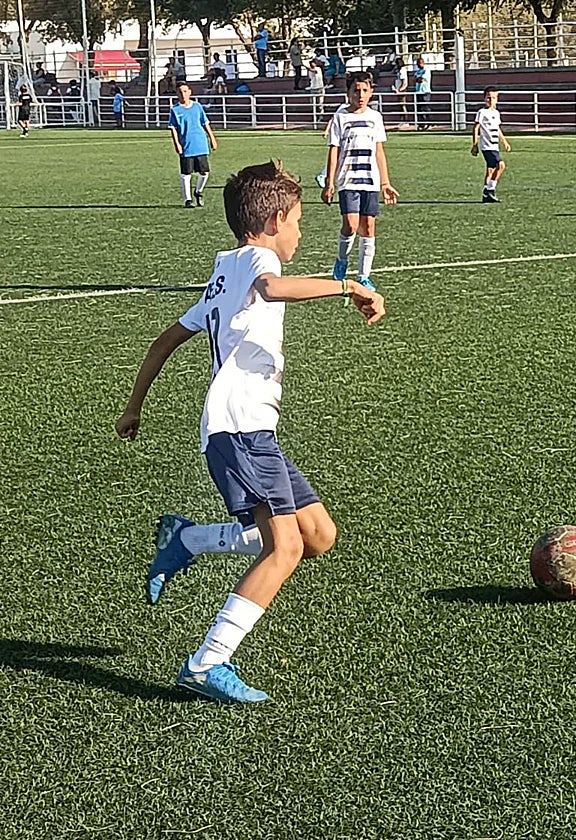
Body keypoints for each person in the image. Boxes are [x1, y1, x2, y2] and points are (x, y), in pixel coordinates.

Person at [115, 160, 386, 704]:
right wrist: (348, 285)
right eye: (299, 221)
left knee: (317, 536)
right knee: (283, 548)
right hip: (239, 426)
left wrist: (134, 406)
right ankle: (207, 662)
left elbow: (162, 342)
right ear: (275, 219)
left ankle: (187, 539)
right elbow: (272, 286)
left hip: (247, 427)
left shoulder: (224, 272)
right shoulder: (257, 263)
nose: (301, 233)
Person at [321, 71, 400, 291]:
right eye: (356, 90)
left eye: (365, 90)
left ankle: (364, 275)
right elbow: (334, 150)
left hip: (370, 181)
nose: (360, 95)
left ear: (371, 92)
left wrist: (385, 183)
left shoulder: (375, 117)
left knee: (369, 226)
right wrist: (330, 182)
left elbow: (379, 151)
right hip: (348, 180)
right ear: (348, 93)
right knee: (351, 224)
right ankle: (342, 260)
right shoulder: (341, 117)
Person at [169, 81, 218, 209]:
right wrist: (177, 144)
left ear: (190, 92)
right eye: (180, 92)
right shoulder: (175, 110)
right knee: (186, 173)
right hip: (186, 145)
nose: (183, 94)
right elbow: (173, 128)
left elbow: (205, 123)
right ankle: (188, 199)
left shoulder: (197, 107)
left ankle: (198, 191)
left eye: (185, 91)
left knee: (204, 172)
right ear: (177, 94)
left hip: (200, 143)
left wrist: (212, 138)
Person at [471, 86, 512, 203]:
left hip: (495, 145)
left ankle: (486, 194)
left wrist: (505, 142)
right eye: (488, 98)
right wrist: (475, 144)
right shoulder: (482, 112)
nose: (491, 100)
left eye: (493, 98)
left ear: (497, 99)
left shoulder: (496, 113)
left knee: (490, 170)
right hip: (487, 146)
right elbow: (476, 128)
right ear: (484, 98)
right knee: (501, 165)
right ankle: (490, 189)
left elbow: (497, 128)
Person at [412, 55, 431, 129]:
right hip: (418, 91)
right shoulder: (417, 72)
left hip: (425, 91)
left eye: (420, 63)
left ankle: (428, 123)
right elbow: (414, 79)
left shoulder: (426, 70)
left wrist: (418, 79)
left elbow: (421, 79)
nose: (418, 65)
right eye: (417, 63)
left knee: (425, 108)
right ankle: (421, 124)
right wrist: (417, 79)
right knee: (419, 109)